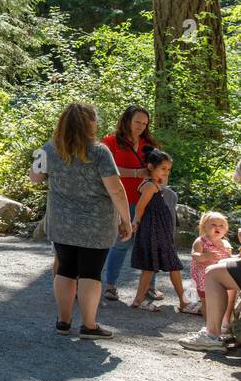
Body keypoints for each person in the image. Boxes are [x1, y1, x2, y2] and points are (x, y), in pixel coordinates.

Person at [28, 103, 132, 340]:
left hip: (61, 222)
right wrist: (126, 219)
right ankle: (89, 325)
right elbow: (116, 190)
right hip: (96, 225)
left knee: (65, 269)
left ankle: (63, 322)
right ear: (89, 123)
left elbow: (34, 178)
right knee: (91, 273)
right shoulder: (99, 152)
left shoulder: (50, 149)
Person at [100, 106, 158, 303]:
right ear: (127, 120)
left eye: (144, 123)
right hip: (119, 199)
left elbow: (160, 168)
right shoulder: (109, 142)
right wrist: (135, 173)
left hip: (145, 199)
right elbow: (105, 170)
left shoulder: (149, 144)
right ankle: (110, 285)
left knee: (149, 243)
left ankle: (150, 286)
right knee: (121, 242)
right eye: (137, 122)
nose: (141, 126)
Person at [127, 149, 189, 312]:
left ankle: (138, 300)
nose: (166, 172)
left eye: (168, 169)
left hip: (158, 229)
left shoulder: (155, 184)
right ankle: (183, 301)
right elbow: (140, 207)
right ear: (150, 167)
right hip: (155, 230)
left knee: (150, 265)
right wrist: (135, 222)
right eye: (163, 168)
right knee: (172, 264)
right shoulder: (150, 186)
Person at [180, 237, 241, 351]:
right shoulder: (200, 241)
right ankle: (224, 326)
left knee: (213, 273)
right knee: (224, 266)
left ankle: (212, 336)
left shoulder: (224, 243)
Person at [185, 211, 234, 318]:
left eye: (221, 225)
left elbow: (230, 259)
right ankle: (208, 325)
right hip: (204, 278)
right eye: (213, 224)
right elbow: (194, 254)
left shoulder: (226, 244)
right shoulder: (201, 241)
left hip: (221, 278)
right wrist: (204, 256)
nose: (218, 227)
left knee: (221, 300)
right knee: (206, 301)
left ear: (226, 229)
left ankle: (221, 322)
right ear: (204, 227)